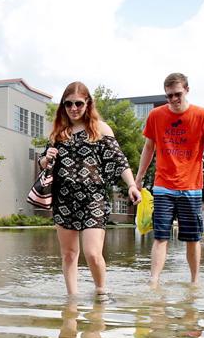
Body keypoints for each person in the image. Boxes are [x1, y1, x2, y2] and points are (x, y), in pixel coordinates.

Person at [133, 73, 204, 286]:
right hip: (163, 186)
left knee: (193, 238)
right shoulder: (156, 115)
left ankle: (194, 282)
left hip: (191, 188)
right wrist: (138, 180)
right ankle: (153, 282)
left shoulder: (202, 116)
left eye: (177, 94)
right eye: (169, 96)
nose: (173, 100)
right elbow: (148, 148)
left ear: (187, 90)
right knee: (160, 236)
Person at [39, 81, 141, 297]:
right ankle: (72, 301)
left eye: (78, 103)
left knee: (93, 253)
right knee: (68, 254)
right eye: (68, 104)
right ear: (63, 106)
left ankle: (101, 292)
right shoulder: (58, 133)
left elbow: (120, 160)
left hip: (94, 199)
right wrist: (45, 159)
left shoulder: (101, 130)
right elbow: (44, 163)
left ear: (87, 103)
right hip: (64, 200)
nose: (73, 108)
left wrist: (131, 185)